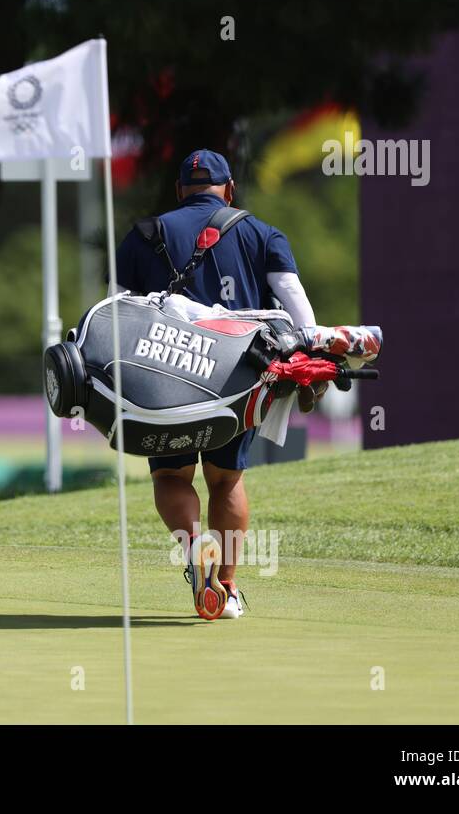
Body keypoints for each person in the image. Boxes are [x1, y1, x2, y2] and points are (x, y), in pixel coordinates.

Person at [112, 149, 318, 619]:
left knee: (170, 475)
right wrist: (311, 361)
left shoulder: (145, 234)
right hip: (236, 375)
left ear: (180, 191)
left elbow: (116, 314)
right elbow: (296, 305)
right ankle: (225, 588)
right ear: (229, 189)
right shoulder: (262, 233)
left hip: (165, 376)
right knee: (226, 480)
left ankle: (193, 544)